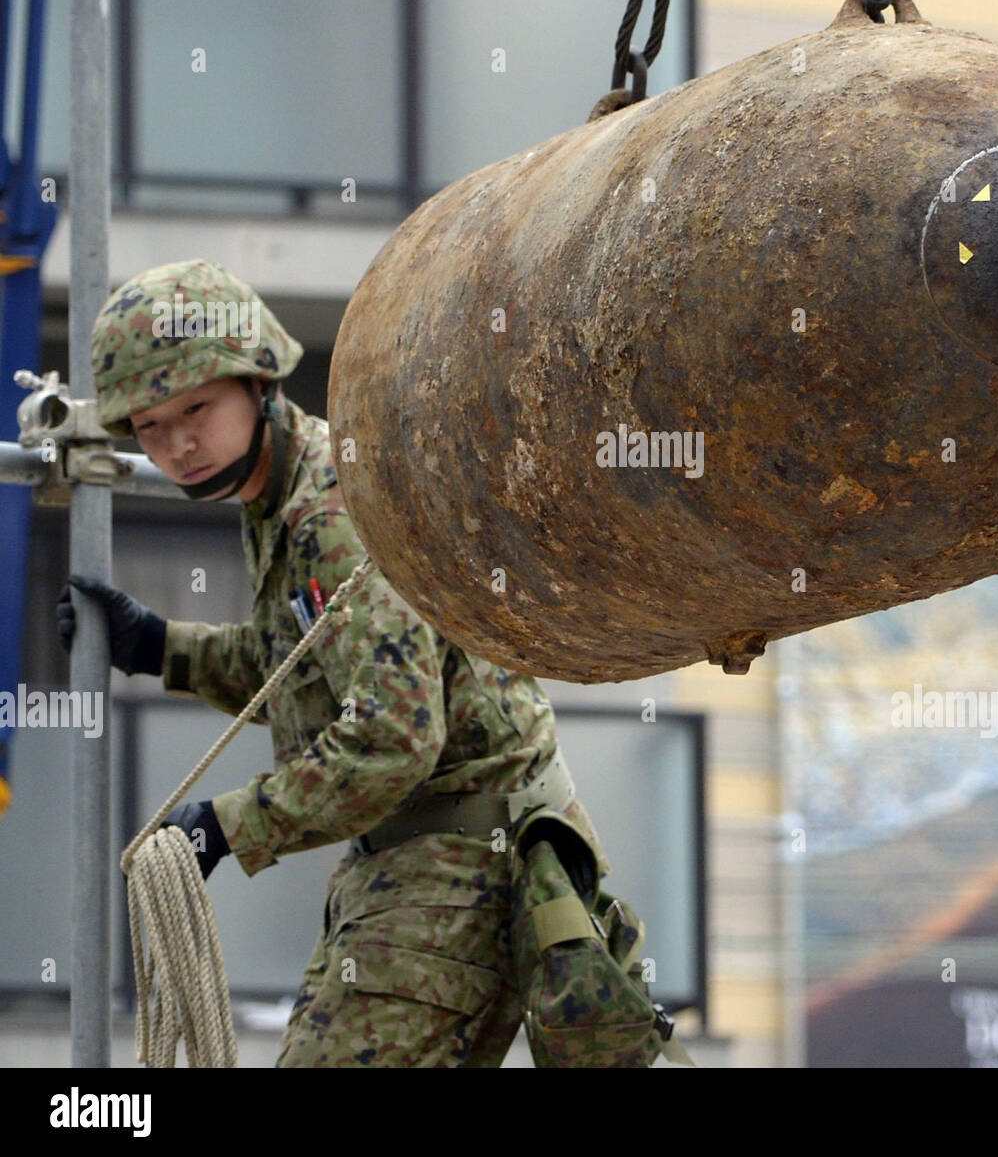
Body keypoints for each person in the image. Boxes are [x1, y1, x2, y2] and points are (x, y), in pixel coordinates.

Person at [57, 258, 609, 1067]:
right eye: (147, 426)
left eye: (196, 408)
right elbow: (303, 668)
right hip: (417, 861)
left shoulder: (330, 508)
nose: (176, 443)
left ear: (260, 381)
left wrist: (226, 826)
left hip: (455, 861)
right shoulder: (275, 493)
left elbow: (392, 736)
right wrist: (160, 647)